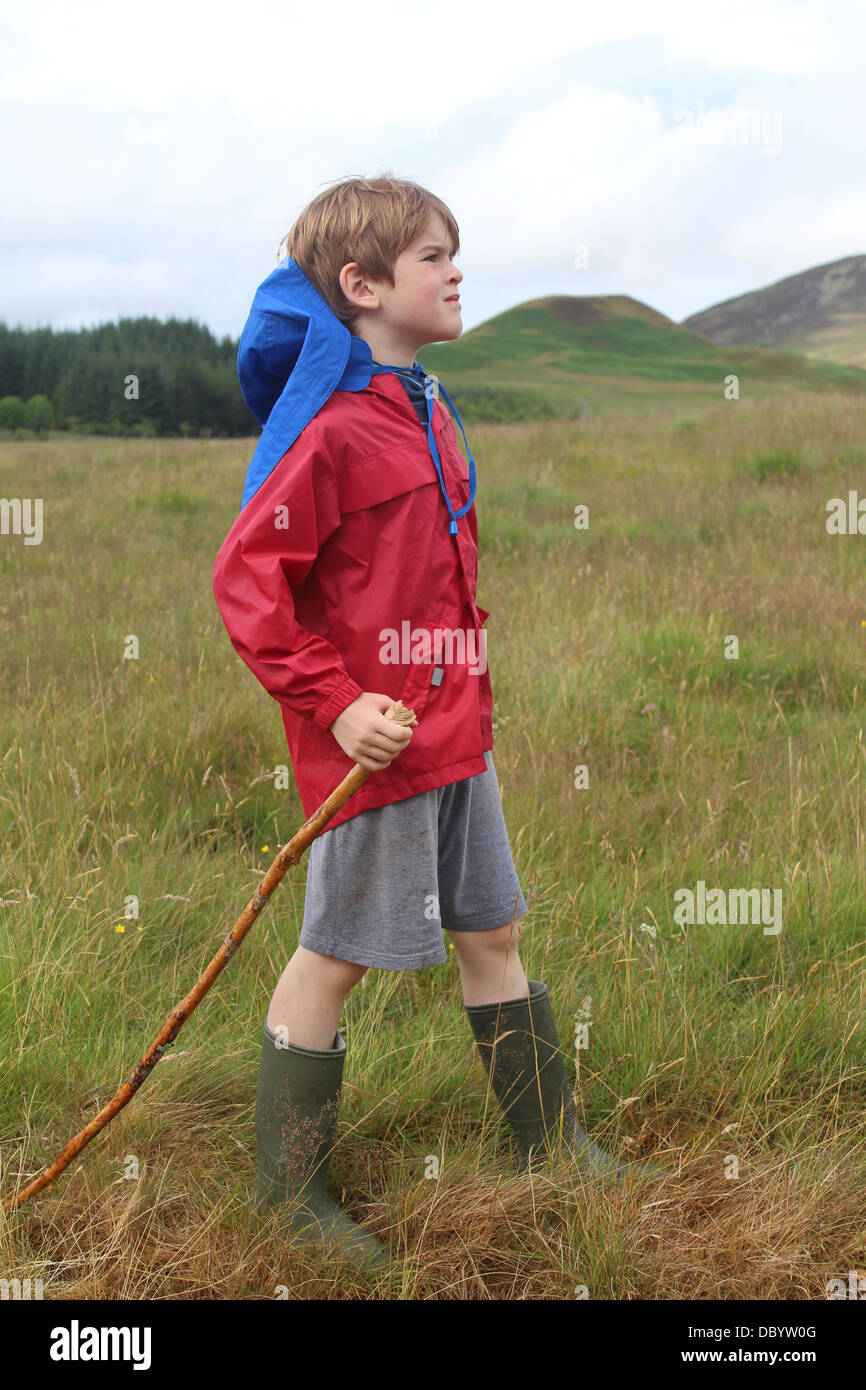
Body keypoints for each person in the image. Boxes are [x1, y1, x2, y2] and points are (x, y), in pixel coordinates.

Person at [212, 173, 663, 1278]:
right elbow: (247, 582)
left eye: (452, 253)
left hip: (459, 729)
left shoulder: (430, 405)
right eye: (431, 258)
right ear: (360, 285)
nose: (456, 271)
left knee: (491, 933)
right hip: (371, 753)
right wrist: (336, 703)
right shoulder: (324, 434)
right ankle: (287, 1192)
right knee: (336, 956)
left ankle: (546, 1142)